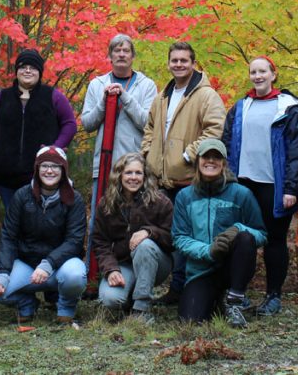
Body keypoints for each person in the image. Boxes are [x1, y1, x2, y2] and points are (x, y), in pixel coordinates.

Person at [221, 56, 298, 316]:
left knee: (274, 240)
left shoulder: (287, 107)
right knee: (241, 238)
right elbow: (226, 142)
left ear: (273, 74)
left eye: (262, 71)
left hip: (275, 184)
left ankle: (273, 296)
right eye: (253, 72)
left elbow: (296, 150)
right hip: (243, 183)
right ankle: (238, 293)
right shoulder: (240, 107)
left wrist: (292, 188)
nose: (258, 76)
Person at [141, 41, 225, 304]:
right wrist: (147, 154)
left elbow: (214, 130)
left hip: (188, 180)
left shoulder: (206, 95)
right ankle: (174, 288)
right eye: (174, 60)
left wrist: (189, 154)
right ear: (168, 63)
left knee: (187, 238)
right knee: (168, 236)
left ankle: (185, 289)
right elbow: (149, 129)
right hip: (161, 181)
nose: (178, 64)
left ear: (193, 63)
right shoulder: (162, 96)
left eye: (184, 60)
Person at [80, 34, 157, 284]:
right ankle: (92, 275)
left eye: (126, 50)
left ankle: (130, 275)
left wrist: (124, 96)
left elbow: (148, 122)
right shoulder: (96, 84)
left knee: (131, 222)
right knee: (98, 221)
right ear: (110, 56)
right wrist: (105, 100)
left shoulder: (146, 85)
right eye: (116, 50)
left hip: (133, 167)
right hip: (102, 166)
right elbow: (88, 123)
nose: (121, 54)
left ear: (133, 56)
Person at [0, 147, 87, 323]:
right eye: (44, 165)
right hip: (28, 264)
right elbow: (9, 236)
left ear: (63, 170)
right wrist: (4, 272)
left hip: (61, 265)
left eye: (56, 166)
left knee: (75, 275)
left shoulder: (74, 199)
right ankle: (27, 303)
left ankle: (66, 307)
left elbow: (74, 241)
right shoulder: (22, 196)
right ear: (37, 169)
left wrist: (49, 263)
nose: (50, 171)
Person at [172, 139, 266, 328]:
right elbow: (179, 238)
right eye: (206, 156)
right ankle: (216, 300)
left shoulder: (241, 194)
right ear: (198, 161)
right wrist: (208, 250)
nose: (211, 161)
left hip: (231, 269)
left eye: (217, 157)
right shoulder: (184, 196)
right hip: (200, 271)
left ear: (224, 163)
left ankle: (235, 301)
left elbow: (261, 233)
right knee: (190, 321)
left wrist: (239, 229)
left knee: (245, 238)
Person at [0, 49, 77, 206]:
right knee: (12, 222)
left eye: (32, 67)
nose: (27, 71)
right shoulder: (1, 98)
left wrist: (53, 150)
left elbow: (70, 124)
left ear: (39, 72)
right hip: (6, 177)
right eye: (23, 67)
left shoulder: (53, 97)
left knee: (36, 223)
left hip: (41, 177)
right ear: (16, 71)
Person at [92, 154, 173, 323]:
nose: (134, 178)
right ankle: (131, 296)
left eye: (138, 173)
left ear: (145, 176)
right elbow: (100, 242)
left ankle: (142, 309)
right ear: (119, 175)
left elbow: (173, 238)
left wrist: (149, 232)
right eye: (129, 173)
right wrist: (111, 269)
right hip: (123, 264)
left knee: (144, 246)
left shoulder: (160, 201)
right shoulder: (107, 203)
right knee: (111, 299)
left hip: (157, 263)